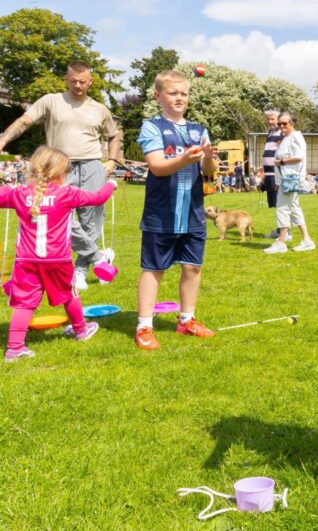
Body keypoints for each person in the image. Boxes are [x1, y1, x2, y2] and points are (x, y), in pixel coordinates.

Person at [0, 61, 123, 292]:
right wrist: (3, 139)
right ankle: (97, 255)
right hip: (58, 167)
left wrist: (112, 160)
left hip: (91, 165)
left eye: (82, 81)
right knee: (57, 214)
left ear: (90, 82)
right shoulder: (51, 101)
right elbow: (24, 121)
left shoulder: (100, 109)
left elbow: (114, 135)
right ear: (66, 79)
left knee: (92, 220)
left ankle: (80, 270)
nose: (77, 85)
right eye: (73, 80)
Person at [0, 146, 117, 361]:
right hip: (57, 259)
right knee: (69, 293)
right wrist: (111, 184)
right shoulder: (67, 194)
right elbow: (98, 197)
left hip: (26, 260)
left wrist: (7, 188)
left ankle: (15, 348)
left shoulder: (19, 194)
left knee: (24, 303)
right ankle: (81, 330)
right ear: (60, 173)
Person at [134, 70, 219, 350]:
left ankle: (186, 320)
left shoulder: (198, 130)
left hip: (193, 213)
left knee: (193, 268)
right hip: (161, 213)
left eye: (184, 93)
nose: (180, 98)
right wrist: (183, 159)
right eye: (173, 93)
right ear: (158, 96)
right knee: (153, 269)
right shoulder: (152, 127)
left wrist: (207, 159)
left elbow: (209, 173)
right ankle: (144, 326)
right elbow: (157, 167)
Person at [264, 112, 315, 253]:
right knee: (293, 209)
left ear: (292, 123)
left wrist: (281, 161)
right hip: (285, 179)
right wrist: (278, 180)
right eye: (279, 123)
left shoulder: (296, 137)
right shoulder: (285, 138)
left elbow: (298, 157)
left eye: (284, 123)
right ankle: (307, 240)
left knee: (282, 208)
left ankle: (281, 242)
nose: (281, 126)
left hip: (292, 178)